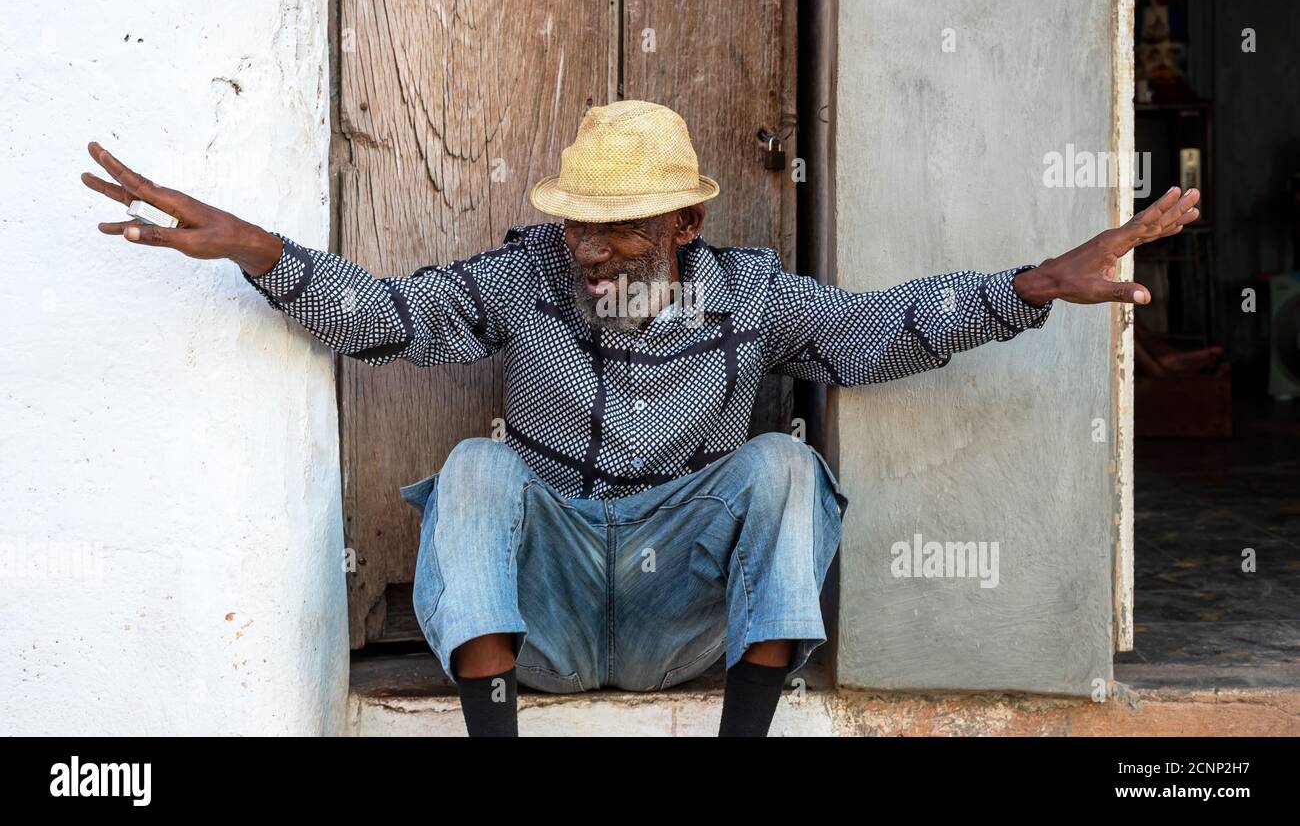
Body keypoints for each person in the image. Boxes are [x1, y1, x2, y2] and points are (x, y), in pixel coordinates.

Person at [82, 99, 1201, 736]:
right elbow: (387, 318)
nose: (594, 247)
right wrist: (256, 250)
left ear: (681, 223)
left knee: (781, 463)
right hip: (549, 618)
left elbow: (877, 330)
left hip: (684, 621)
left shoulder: (751, 294)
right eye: (581, 225)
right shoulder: (523, 279)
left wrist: (1033, 286)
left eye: (623, 227)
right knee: (478, 468)